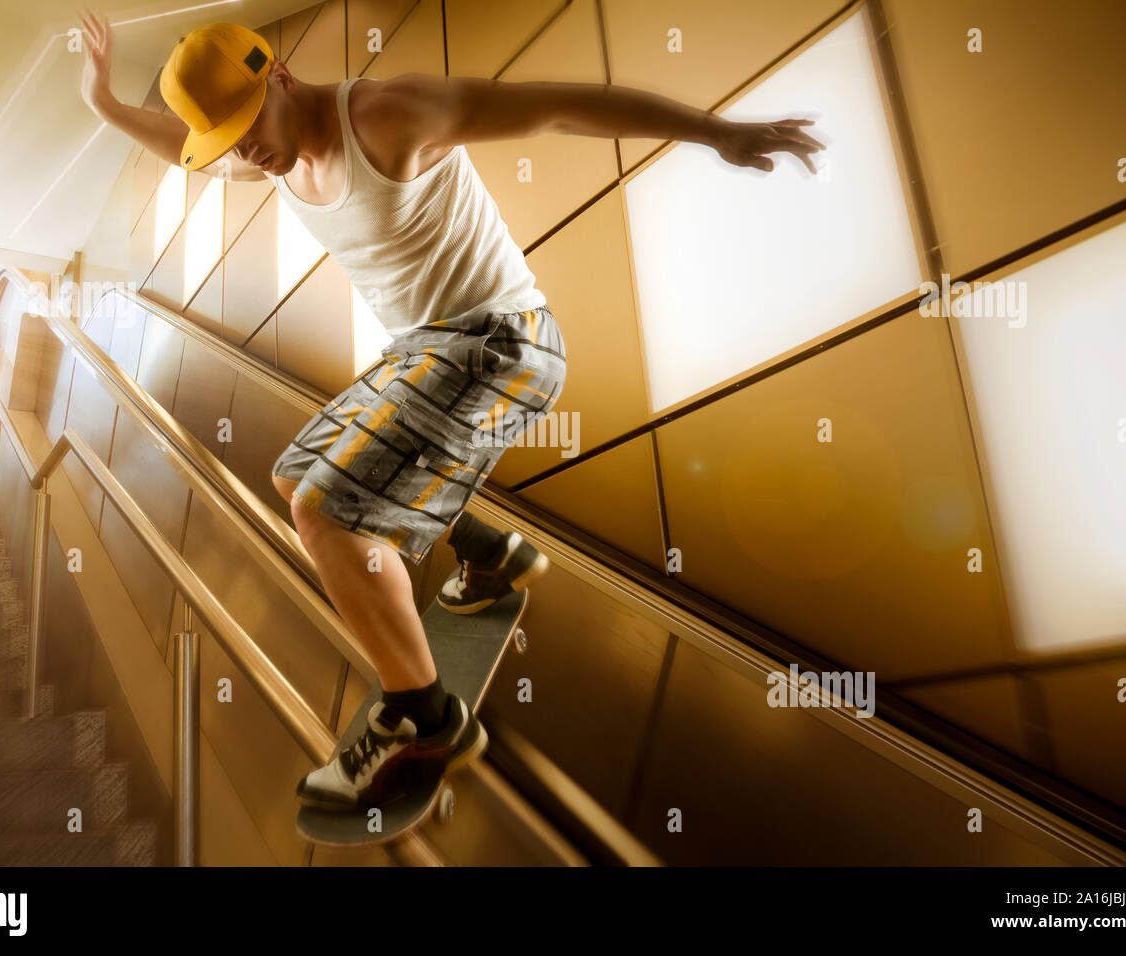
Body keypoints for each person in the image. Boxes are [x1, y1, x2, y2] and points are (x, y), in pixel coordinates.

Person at [78, 13, 823, 813]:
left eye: (246, 125)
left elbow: (558, 106)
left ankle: (426, 717)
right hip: (424, 351)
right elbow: (179, 142)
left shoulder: (389, 115)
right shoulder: (272, 154)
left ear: (283, 77)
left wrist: (717, 133)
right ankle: (488, 550)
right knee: (294, 473)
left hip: (503, 344)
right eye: (226, 141)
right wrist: (106, 104)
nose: (245, 152)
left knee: (326, 513)